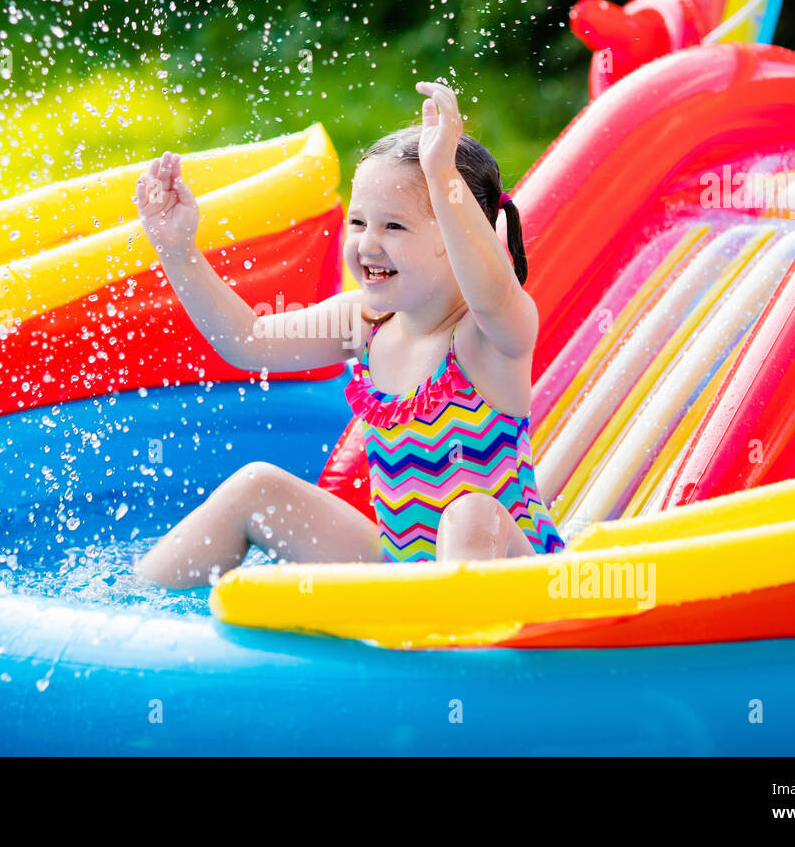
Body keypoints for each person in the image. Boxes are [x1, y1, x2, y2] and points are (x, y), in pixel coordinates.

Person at [133, 80, 564, 588]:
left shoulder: (489, 335)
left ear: (458, 236)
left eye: (395, 227)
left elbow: (492, 287)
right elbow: (248, 341)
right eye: (359, 221)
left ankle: (453, 655)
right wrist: (178, 252)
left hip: (520, 582)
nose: (367, 244)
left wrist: (442, 173)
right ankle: (124, 628)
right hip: (404, 575)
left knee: (470, 513)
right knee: (257, 487)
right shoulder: (368, 322)